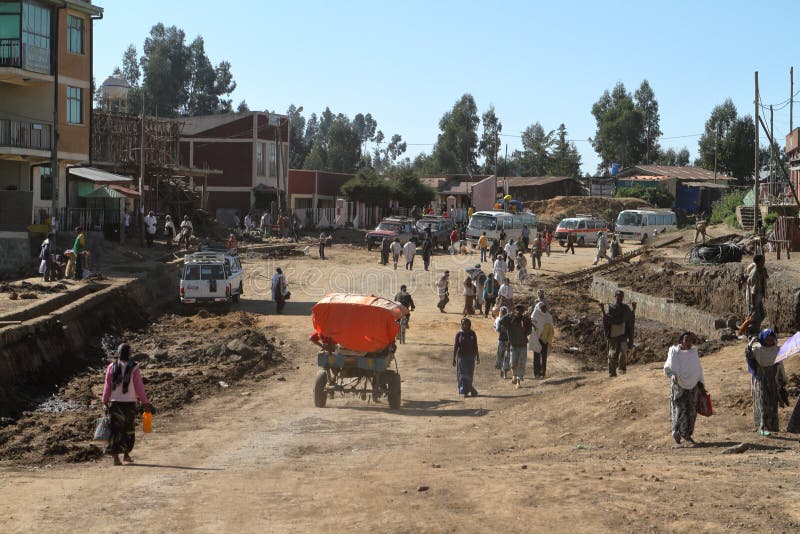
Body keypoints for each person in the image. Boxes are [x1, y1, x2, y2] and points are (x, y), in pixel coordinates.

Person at [101, 343, 151, 466]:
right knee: (128, 430)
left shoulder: (111, 366)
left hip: (114, 404)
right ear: (129, 354)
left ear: (118, 353)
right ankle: (126, 455)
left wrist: (104, 401)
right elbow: (139, 387)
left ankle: (116, 458)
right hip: (129, 404)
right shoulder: (134, 367)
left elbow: (107, 386)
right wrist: (145, 402)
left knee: (115, 430)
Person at [664, 332, 706, 446]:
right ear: (681, 340)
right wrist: (672, 375)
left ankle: (687, 435)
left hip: (693, 386)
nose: (688, 343)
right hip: (679, 386)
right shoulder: (674, 351)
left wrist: (701, 384)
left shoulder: (693, 352)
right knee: (679, 411)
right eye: (686, 340)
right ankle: (677, 435)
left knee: (691, 412)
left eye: (690, 340)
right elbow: (668, 367)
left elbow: (698, 368)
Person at [746, 329, 786, 435]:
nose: (769, 341)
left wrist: (782, 380)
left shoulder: (777, 350)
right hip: (760, 380)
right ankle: (763, 428)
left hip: (772, 380)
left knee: (773, 403)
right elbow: (748, 355)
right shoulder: (757, 350)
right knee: (763, 403)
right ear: (763, 339)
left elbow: (780, 365)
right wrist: (750, 343)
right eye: (767, 339)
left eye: (771, 339)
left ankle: (773, 426)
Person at [601, 290, 635, 377]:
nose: (620, 298)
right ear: (615, 296)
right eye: (618, 296)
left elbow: (630, 317)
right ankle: (612, 372)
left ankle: (622, 369)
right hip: (613, 335)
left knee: (623, 352)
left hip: (623, 334)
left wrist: (634, 309)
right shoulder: (611, 307)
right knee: (612, 354)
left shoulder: (625, 308)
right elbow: (607, 318)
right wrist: (602, 310)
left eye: (621, 296)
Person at [500, 304, 532, 387]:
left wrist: (526, 324)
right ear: (515, 310)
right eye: (517, 309)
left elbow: (529, 331)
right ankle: (514, 375)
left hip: (522, 345)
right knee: (512, 362)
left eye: (521, 310)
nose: (519, 311)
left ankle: (518, 381)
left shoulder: (525, 320)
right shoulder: (510, 318)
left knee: (521, 363)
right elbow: (501, 321)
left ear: (523, 311)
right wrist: (509, 315)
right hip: (513, 345)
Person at [453, 318, 480, 397]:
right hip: (461, 358)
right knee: (461, 374)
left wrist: (478, 357)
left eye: (467, 324)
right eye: (463, 324)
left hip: (471, 358)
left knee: (469, 375)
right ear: (461, 325)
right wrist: (453, 359)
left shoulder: (472, 334)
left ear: (469, 325)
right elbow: (456, 347)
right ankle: (464, 390)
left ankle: (470, 390)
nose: (465, 325)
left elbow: (476, 346)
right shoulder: (459, 334)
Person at [744, 255, 768, 335]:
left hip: (758, 298)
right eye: (762, 260)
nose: (764, 262)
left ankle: (754, 332)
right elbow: (753, 292)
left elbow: (765, 278)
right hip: (753, 299)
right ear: (757, 262)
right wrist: (753, 305)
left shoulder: (761, 270)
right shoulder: (755, 274)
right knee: (754, 318)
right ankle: (750, 333)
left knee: (762, 316)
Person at [530, 301, 554, 379]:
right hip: (536, 338)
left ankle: (543, 373)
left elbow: (551, 327)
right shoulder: (535, 315)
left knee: (544, 356)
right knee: (536, 356)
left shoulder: (548, 316)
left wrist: (548, 337)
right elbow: (533, 326)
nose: (544, 309)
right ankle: (536, 373)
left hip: (545, 339)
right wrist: (537, 334)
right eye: (542, 308)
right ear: (539, 308)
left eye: (545, 308)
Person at [494, 306, 510, 378]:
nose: (503, 313)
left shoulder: (509, 320)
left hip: (507, 341)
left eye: (504, 312)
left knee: (506, 356)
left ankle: (505, 373)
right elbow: (497, 329)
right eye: (502, 312)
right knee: (500, 356)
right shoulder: (498, 320)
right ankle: (501, 370)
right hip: (501, 340)